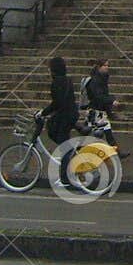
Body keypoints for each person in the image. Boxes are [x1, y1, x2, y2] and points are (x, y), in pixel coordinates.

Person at [40, 56, 80, 189]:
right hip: (71, 114)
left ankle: (65, 179)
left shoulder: (57, 82)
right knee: (63, 142)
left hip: (65, 116)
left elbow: (57, 103)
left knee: (64, 146)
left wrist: (43, 112)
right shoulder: (68, 80)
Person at [83, 59, 124, 152]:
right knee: (92, 133)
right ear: (99, 67)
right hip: (96, 111)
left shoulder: (101, 78)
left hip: (98, 110)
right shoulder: (95, 80)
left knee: (104, 132)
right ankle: (76, 150)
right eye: (105, 65)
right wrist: (112, 101)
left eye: (108, 65)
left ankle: (117, 152)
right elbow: (98, 95)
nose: (107, 67)